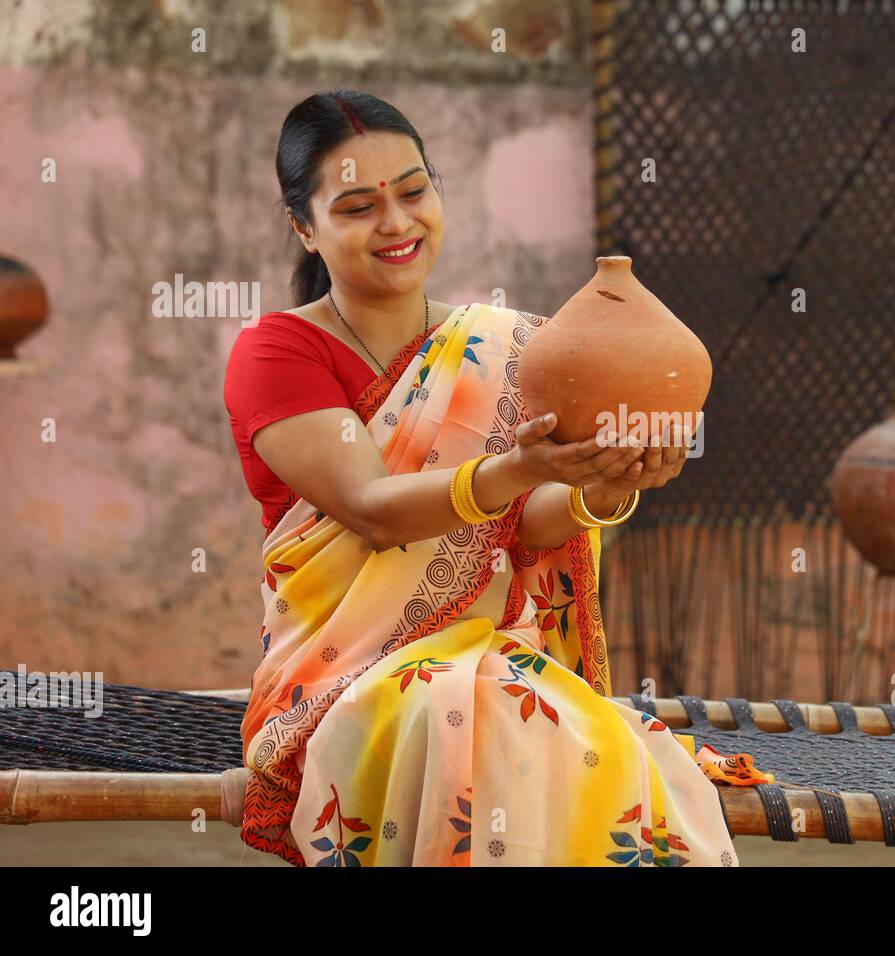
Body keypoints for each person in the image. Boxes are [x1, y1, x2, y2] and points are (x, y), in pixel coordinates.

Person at [222, 90, 769, 867]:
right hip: (340, 676)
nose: (397, 224)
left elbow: (522, 524)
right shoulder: (277, 353)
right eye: (357, 207)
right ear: (303, 228)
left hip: (493, 652)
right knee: (470, 714)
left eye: (414, 191)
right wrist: (518, 467)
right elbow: (375, 512)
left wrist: (605, 484)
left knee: (530, 720)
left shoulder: (506, 346)